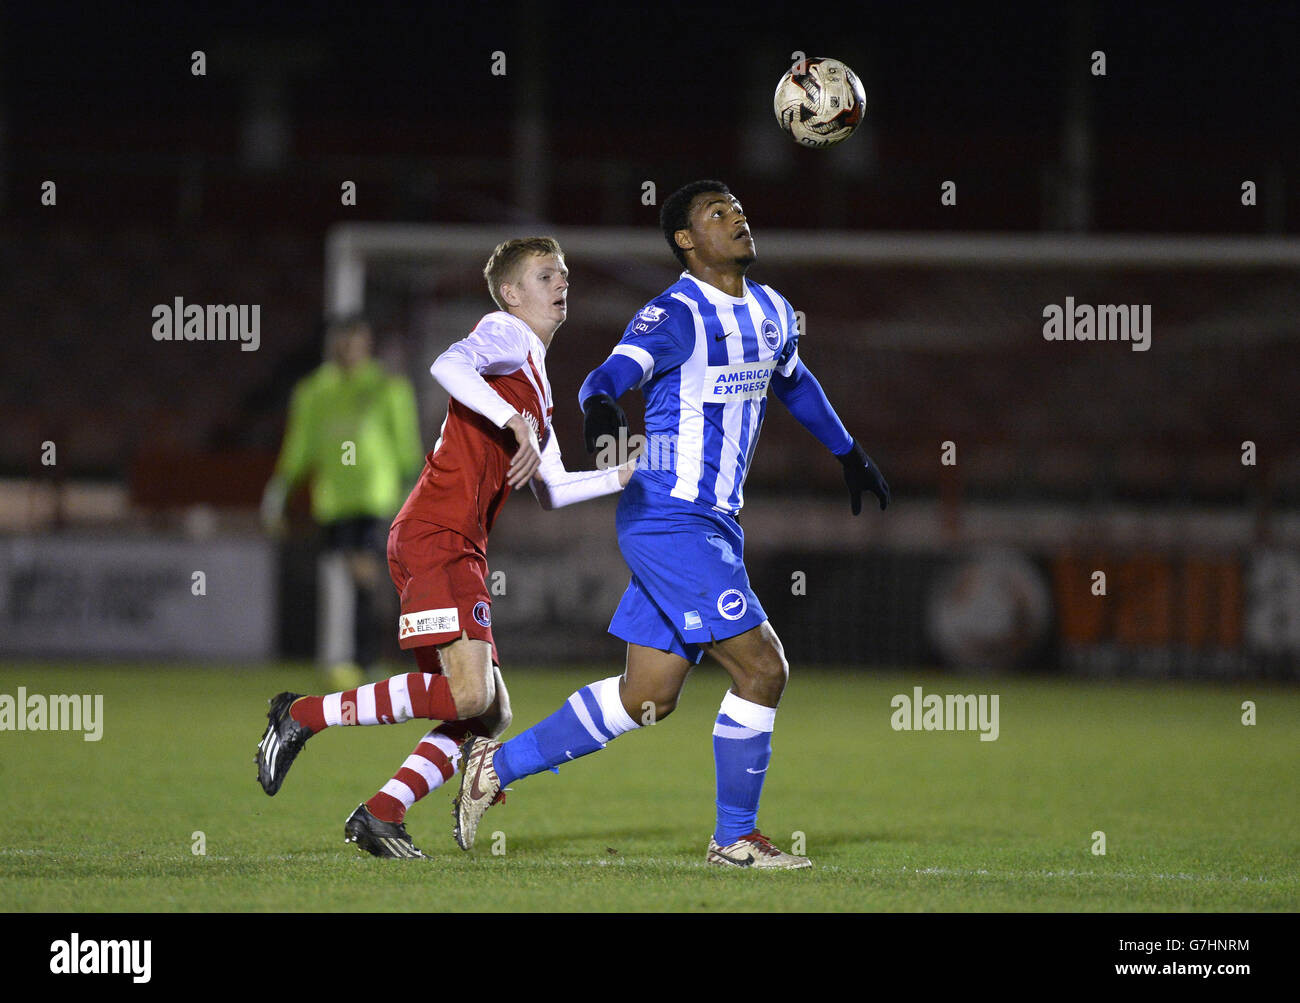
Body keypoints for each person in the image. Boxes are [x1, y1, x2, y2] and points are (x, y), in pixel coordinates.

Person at [452, 181, 889, 869]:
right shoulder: (676, 313)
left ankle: (493, 768)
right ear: (687, 240)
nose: (737, 219)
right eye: (718, 214)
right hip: (669, 518)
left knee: (647, 696)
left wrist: (849, 451)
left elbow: (795, 381)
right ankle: (734, 837)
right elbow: (606, 375)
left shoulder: (773, 310)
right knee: (763, 668)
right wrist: (602, 411)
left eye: (740, 210)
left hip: (713, 520)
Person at [256, 237, 634, 858]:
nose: (561, 284)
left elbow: (555, 490)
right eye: (546, 275)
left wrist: (624, 475)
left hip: (458, 542)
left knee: (489, 712)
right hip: (438, 533)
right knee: (470, 695)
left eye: (564, 274)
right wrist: (511, 422)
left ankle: (380, 814)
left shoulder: (538, 384)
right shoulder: (504, 332)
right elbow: (447, 367)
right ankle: (301, 716)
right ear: (512, 293)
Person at [261, 315, 423, 688]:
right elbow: (300, 445)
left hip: (375, 496)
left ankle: (364, 658)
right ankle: (349, 658)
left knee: (362, 570)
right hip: (332, 500)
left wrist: (412, 490)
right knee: (348, 577)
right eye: (344, 344)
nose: (350, 351)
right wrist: (280, 488)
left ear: (367, 346)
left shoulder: (387, 388)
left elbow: (406, 443)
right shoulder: (314, 391)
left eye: (357, 343)